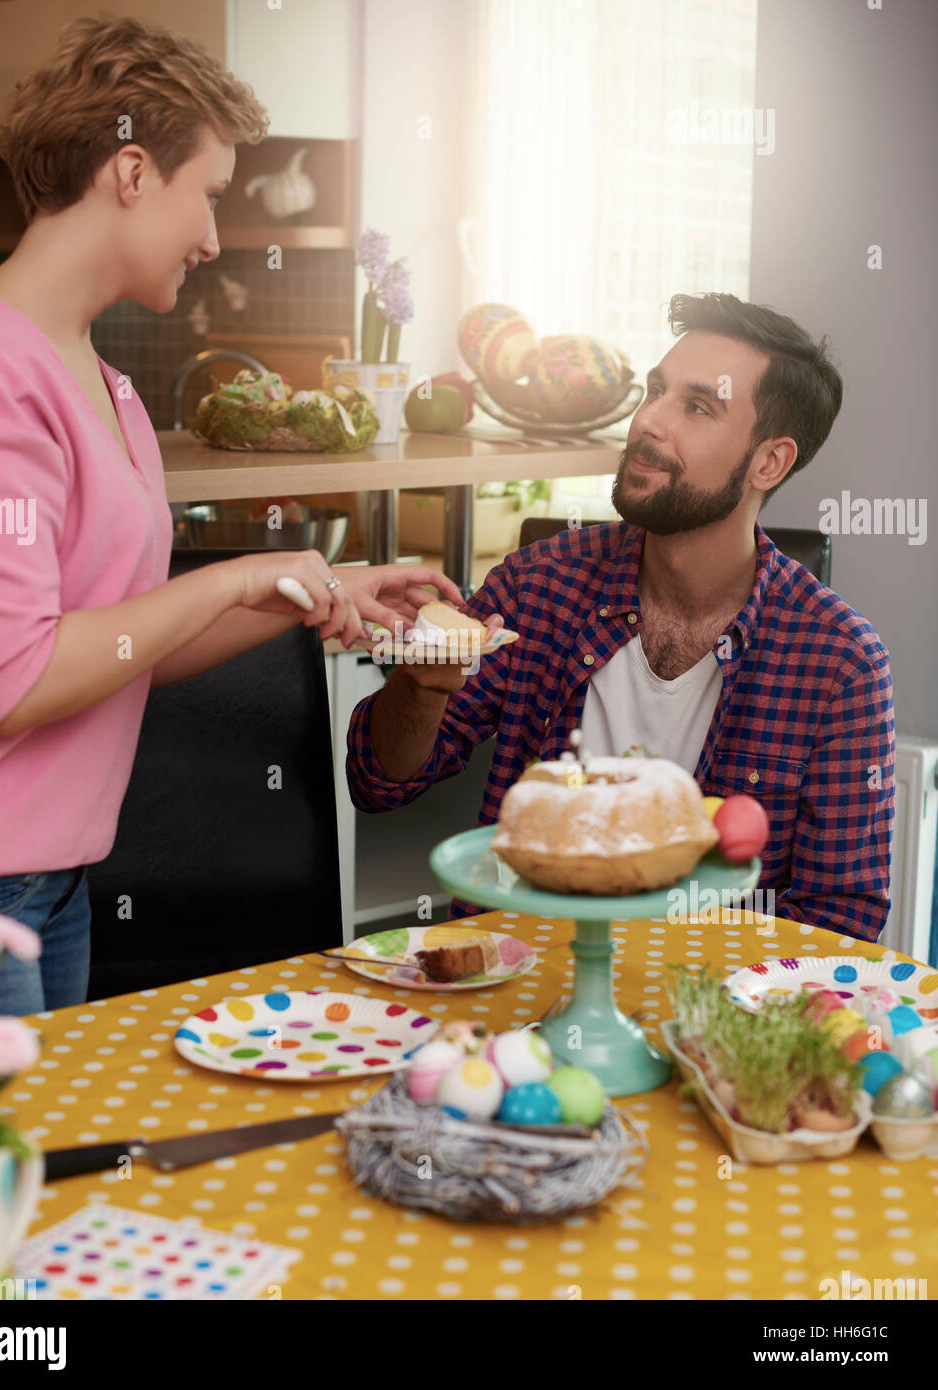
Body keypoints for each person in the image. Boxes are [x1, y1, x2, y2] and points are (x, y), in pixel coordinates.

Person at [0, 15, 465, 1014]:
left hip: (50, 881)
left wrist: (317, 590)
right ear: (130, 172)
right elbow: (16, 676)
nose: (215, 239)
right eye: (207, 194)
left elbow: (126, 645)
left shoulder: (108, 384)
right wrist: (234, 574)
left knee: (45, 1173)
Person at [348, 292, 896, 943]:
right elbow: (380, 782)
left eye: (696, 407)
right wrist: (420, 686)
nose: (648, 422)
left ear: (767, 461)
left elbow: (838, 921)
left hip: (699, 1001)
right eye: (654, 391)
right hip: (516, 972)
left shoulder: (840, 663)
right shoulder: (539, 584)